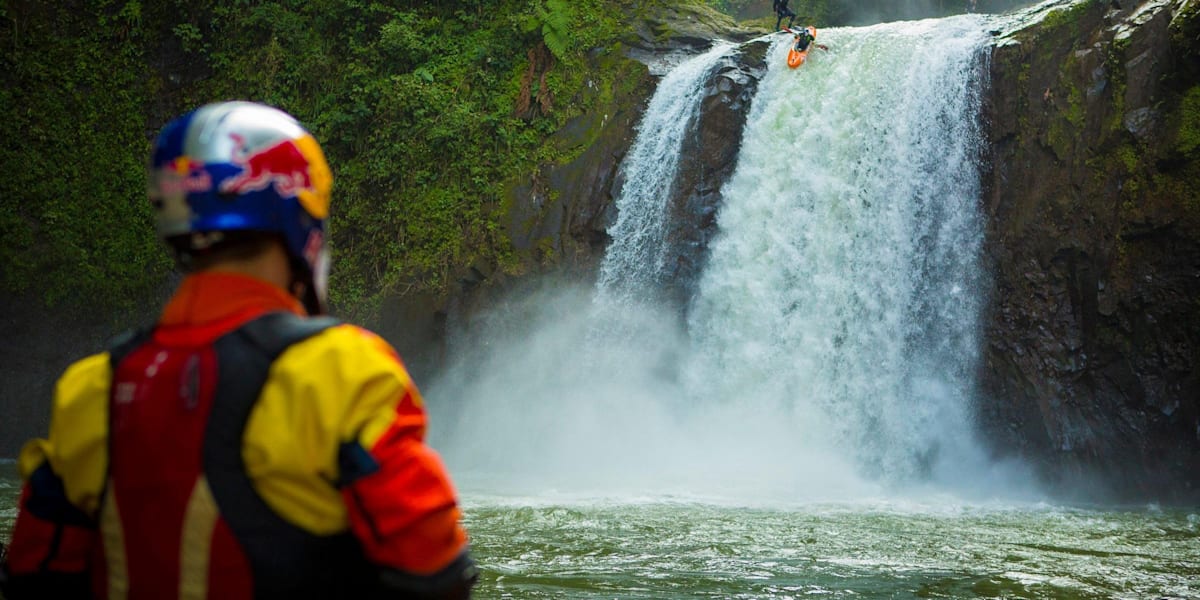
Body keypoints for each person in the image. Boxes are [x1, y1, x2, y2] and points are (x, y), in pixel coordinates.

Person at [0, 101, 478, 599]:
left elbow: (34, 579)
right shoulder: (342, 372)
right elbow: (437, 572)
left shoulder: (92, 391)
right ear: (299, 223)